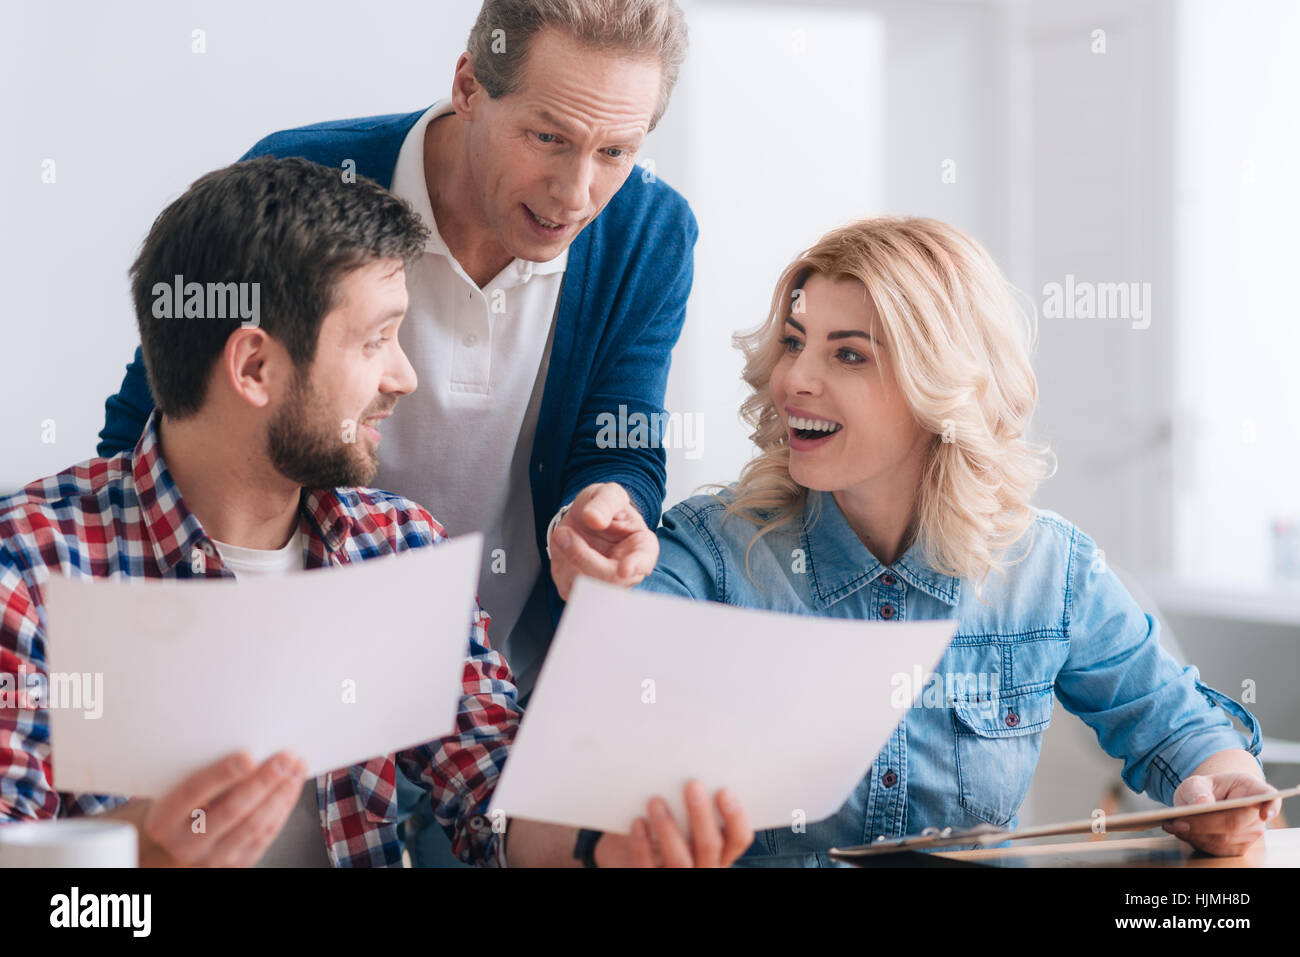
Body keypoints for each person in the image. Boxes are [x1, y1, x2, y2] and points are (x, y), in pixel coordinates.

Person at [0, 157, 751, 868]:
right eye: (376, 340)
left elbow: (495, 792)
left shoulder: (397, 546)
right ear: (255, 366)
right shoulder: (29, 562)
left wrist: (600, 846)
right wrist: (141, 846)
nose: (405, 376)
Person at [95, 0, 694, 866]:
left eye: (616, 152)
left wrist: (601, 507)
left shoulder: (646, 233)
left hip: (469, 667)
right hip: (230, 618)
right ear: (467, 87)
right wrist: (101, 575)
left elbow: (619, 439)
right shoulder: (305, 178)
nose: (578, 194)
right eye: (548, 138)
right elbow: (169, 395)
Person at [611, 216, 1278, 865]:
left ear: (941, 386)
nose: (794, 380)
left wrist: (1222, 785)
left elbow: (1180, 726)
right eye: (793, 342)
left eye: (847, 353)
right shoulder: (710, 550)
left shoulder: (1050, 569)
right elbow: (606, 722)